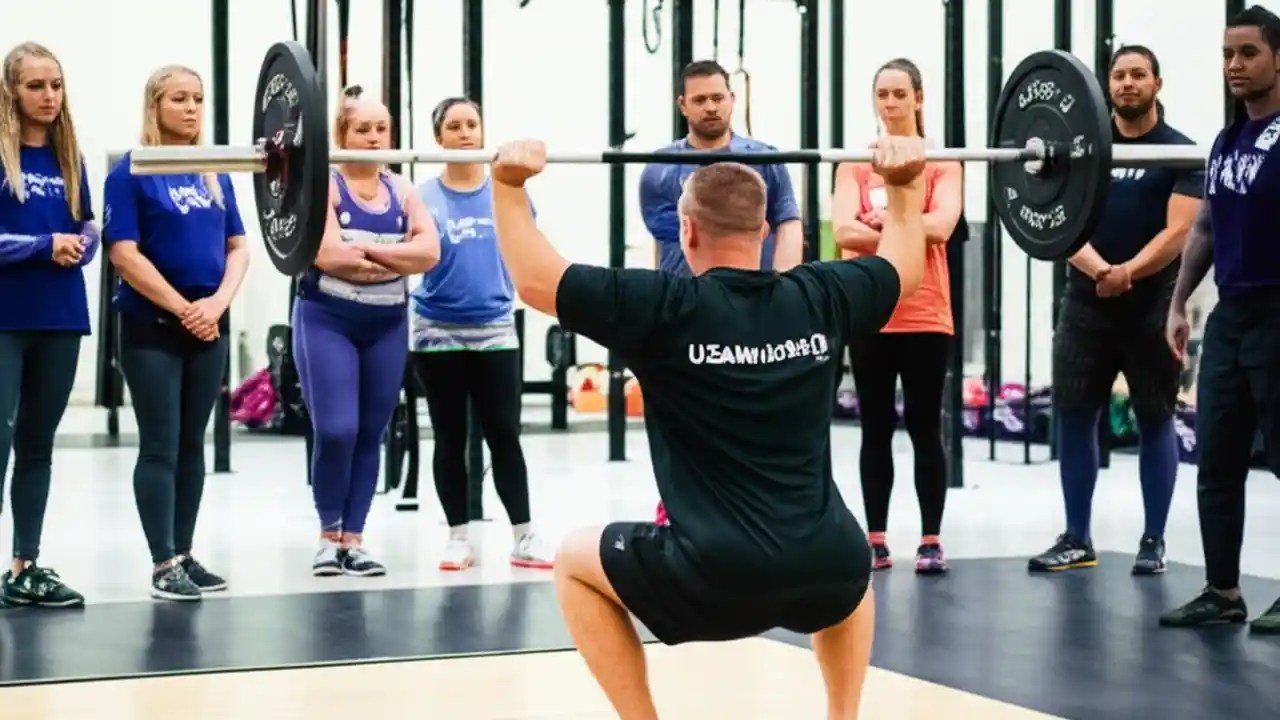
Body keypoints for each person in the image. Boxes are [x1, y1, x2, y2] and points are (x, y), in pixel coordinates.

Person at [487, 134, 930, 719]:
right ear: (766, 230)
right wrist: (904, 188)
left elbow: (537, 279)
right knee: (845, 562)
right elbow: (904, 269)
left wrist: (507, 185)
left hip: (714, 576)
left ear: (686, 231)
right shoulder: (821, 295)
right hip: (826, 568)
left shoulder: (663, 307)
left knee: (572, 560)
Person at [1028, 46, 1203, 577]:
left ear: (1157, 82)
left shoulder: (1181, 151)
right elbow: (1054, 215)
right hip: (1085, 301)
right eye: (1119, 75)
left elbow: (1180, 231)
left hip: (1152, 302)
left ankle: (1154, 541)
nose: (1128, 83)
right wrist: (1100, 269)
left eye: (1138, 75)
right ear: (1107, 85)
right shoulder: (1079, 149)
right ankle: (1076, 538)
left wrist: (1126, 272)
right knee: (1076, 415)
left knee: (1156, 417)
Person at [104, 65, 250, 601]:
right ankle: (162, 562)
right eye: (179, 99)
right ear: (154, 105)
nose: (191, 108)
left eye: (198, 99)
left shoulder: (214, 172)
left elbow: (239, 246)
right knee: (161, 446)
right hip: (152, 327)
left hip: (206, 325)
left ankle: (184, 554)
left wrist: (215, 305)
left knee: (193, 445)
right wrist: (183, 307)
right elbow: (124, 253)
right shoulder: (132, 170)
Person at [1159, 5, 1280, 634]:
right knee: (1218, 459)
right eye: (1228, 55)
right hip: (1232, 315)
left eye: (1248, 53)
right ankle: (1223, 591)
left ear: (1278, 58)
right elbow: (1205, 225)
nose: (1235, 65)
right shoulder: (1226, 140)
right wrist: (1179, 303)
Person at [642, 59, 804, 527]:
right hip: (686, 310)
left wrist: (783, 292)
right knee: (680, 412)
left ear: (732, 99)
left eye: (718, 97)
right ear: (683, 105)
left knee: (753, 414)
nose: (710, 107)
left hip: (753, 306)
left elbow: (789, 225)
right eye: (700, 99)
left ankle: (756, 506)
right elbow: (669, 242)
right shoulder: (659, 170)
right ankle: (677, 504)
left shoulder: (765, 158)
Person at [294, 86, 440, 578]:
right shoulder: (328, 186)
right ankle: (326, 534)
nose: (374, 137)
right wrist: (394, 256)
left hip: (386, 324)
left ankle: (353, 539)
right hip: (327, 319)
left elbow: (430, 253)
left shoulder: (403, 190)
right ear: (342, 134)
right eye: (363, 128)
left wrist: (366, 256)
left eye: (381, 128)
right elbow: (328, 255)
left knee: (370, 434)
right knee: (337, 429)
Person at [411, 97, 554, 572]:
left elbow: (527, 247)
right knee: (449, 436)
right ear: (440, 138)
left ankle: (524, 535)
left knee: (504, 436)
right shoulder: (423, 196)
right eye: (454, 126)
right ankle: (457, 537)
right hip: (437, 329)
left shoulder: (506, 193)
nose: (465, 133)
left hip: (495, 327)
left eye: (472, 124)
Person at [831, 58, 962, 575]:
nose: (889, 103)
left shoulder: (945, 162)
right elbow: (843, 232)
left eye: (898, 94)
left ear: (918, 98)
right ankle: (875, 538)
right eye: (881, 94)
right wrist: (907, 224)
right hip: (870, 313)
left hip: (927, 313)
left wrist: (882, 222)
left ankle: (931, 539)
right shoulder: (854, 165)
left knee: (926, 426)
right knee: (875, 427)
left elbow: (944, 224)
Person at [0, 41, 95, 608]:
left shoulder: (70, 159)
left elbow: (85, 227)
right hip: (6, 319)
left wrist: (83, 243)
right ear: (11, 91)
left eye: (55, 85)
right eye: (36, 86)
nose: (49, 96)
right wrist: (42, 245)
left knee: (37, 444)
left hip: (61, 318)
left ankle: (24, 566)